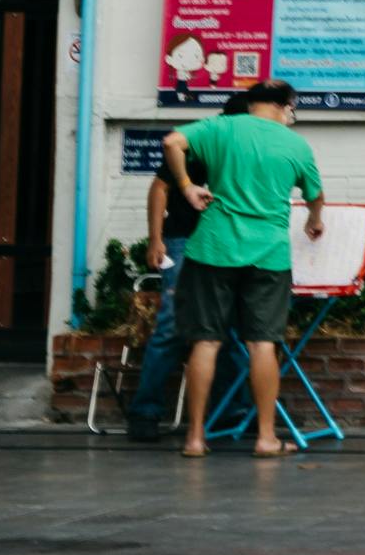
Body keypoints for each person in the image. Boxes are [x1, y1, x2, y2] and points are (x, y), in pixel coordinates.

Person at [173, 78, 322, 458]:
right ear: (286, 105)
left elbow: (172, 142)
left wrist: (188, 185)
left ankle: (194, 439)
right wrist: (314, 221)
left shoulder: (222, 127)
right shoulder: (296, 145)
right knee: (263, 343)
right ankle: (266, 438)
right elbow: (315, 195)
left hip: (212, 247)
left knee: (205, 341)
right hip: (267, 255)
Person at [124, 109, 221, 438]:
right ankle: (145, 412)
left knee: (232, 328)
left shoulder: (251, 150)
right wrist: (156, 239)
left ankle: (232, 412)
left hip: (228, 244)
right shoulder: (198, 147)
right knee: (171, 325)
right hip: (183, 240)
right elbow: (159, 188)